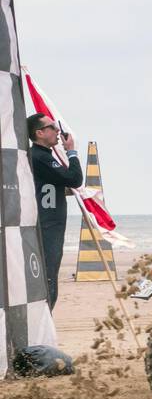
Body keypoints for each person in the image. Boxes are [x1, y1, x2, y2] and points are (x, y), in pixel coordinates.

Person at [27, 114, 82, 310]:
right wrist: (71, 152)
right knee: (49, 279)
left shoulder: (40, 157)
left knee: (48, 277)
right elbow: (74, 178)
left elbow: (48, 185)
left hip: (49, 225)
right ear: (39, 133)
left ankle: (43, 322)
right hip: (47, 226)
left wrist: (65, 191)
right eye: (52, 127)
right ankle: (43, 325)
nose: (58, 131)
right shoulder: (40, 157)